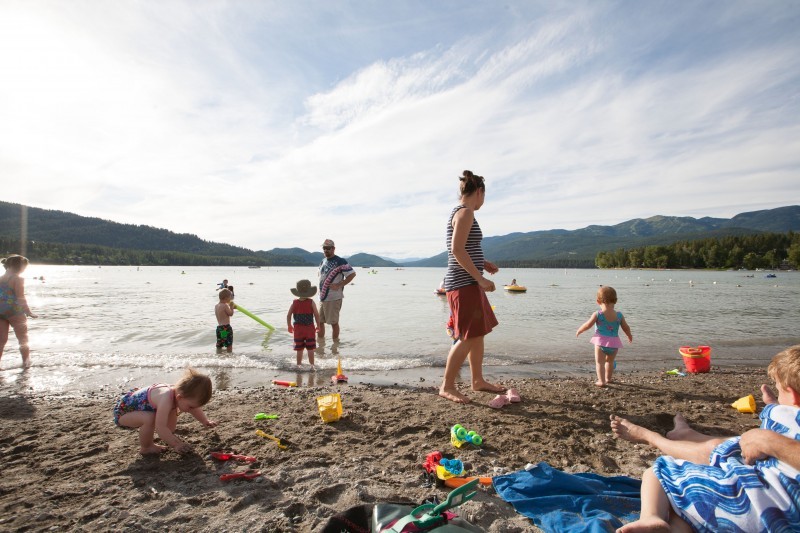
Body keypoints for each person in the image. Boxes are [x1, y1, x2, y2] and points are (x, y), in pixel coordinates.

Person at [611, 345, 800, 532]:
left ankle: (653, 443)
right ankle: (686, 436)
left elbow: (781, 422)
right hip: (788, 523)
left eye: (779, 390)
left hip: (750, 511)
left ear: (791, 395)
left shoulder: (782, 413)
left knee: (661, 469)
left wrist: (773, 410)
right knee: (731, 448)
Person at [439, 170, 505, 404]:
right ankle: (447, 386)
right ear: (479, 192)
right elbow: (456, 250)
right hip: (463, 283)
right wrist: (480, 278)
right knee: (467, 336)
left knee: (477, 334)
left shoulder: (461, 213)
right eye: (484, 196)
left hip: (466, 281)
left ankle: (477, 380)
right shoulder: (465, 213)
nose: (483, 202)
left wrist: (483, 264)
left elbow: (461, 248)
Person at [113, 367, 218, 454]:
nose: (191, 410)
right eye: (190, 407)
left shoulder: (177, 394)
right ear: (180, 397)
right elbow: (160, 427)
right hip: (124, 412)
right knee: (150, 419)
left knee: (170, 425)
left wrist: (205, 421)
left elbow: (195, 409)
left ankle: (167, 436)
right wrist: (176, 444)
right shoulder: (166, 398)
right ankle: (146, 447)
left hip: (141, 410)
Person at [576, 286, 633, 387]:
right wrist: (629, 336)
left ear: (598, 301)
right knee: (610, 362)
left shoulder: (598, 314)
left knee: (600, 363)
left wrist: (579, 330)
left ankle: (601, 381)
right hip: (614, 343)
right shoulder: (619, 315)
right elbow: (626, 327)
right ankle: (608, 379)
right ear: (616, 301)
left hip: (600, 342)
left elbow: (588, 325)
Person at [0, 255, 37, 368]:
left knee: (1, 341)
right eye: (24, 267)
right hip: (15, 312)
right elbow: (20, 297)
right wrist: (28, 311)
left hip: (1, 313)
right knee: (23, 339)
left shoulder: (1, 278)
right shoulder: (17, 279)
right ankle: (26, 363)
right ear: (19, 266)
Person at [317, 239, 356, 340]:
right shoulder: (323, 261)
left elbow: (352, 274)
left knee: (333, 323)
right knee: (319, 322)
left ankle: (335, 348)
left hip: (333, 297)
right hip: (322, 298)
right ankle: (320, 347)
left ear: (333, 248)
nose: (326, 250)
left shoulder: (340, 261)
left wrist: (339, 285)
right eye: (324, 248)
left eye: (328, 248)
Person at [286, 279, 321, 371]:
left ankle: (299, 365)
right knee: (310, 349)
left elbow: (289, 315)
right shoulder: (311, 302)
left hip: (298, 329)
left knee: (299, 349)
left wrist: (289, 325)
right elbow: (317, 315)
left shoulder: (294, 302)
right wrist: (318, 325)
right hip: (309, 328)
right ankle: (312, 366)